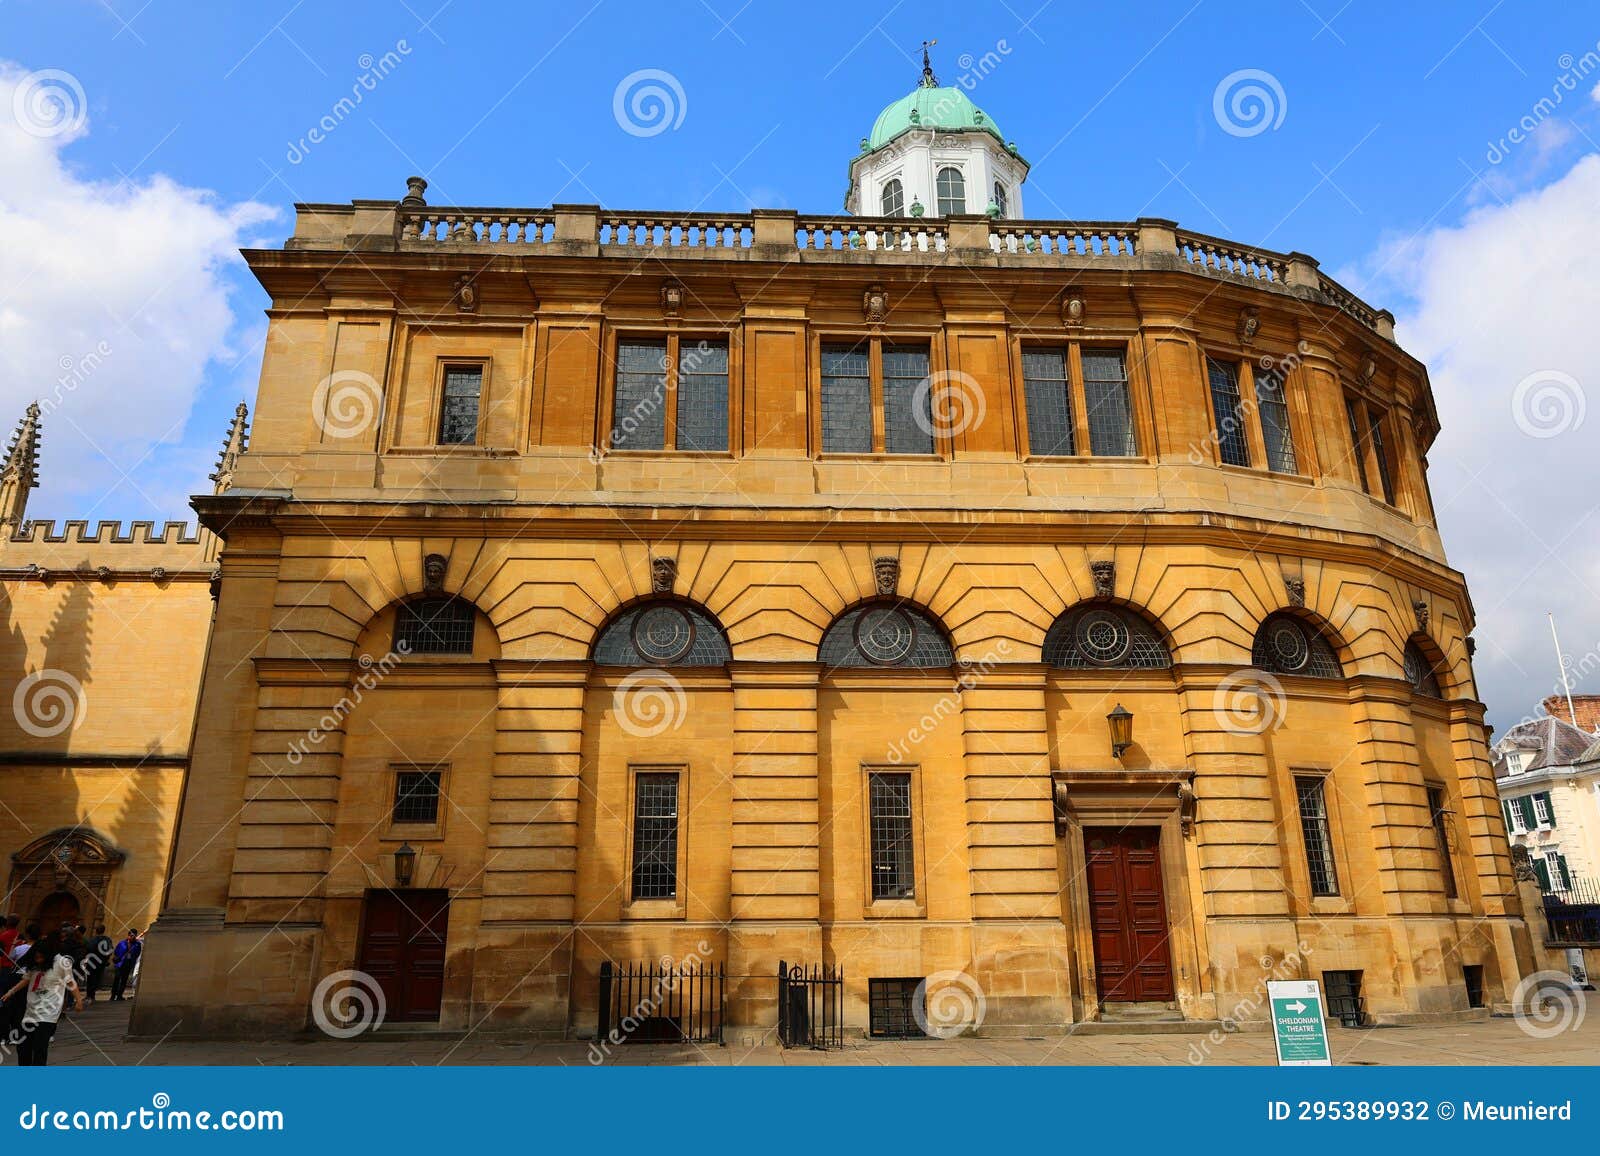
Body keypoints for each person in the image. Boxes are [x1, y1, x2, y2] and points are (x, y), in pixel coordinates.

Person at [3, 931, 83, 1065]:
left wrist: (78, 1000)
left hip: (48, 1012)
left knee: (40, 1047)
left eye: (41, 957)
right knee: (23, 1046)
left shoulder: (62, 962)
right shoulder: (34, 964)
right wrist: (11, 992)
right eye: (36, 957)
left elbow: (71, 983)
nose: (38, 960)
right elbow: (27, 978)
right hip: (31, 1010)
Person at [83, 925, 112, 1004]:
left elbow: (88, 949)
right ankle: (92, 995)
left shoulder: (92, 939)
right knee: (97, 978)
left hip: (92, 962)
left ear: (96, 931)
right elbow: (109, 950)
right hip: (101, 962)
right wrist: (105, 959)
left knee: (90, 979)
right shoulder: (107, 940)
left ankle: (89, 995)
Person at [109, 930, 141, 1001]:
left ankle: (119, 995)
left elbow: (137, 954)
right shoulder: (122, 943)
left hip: (128, 964)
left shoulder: (137, 944)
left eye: (135, 936)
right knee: (116, 980)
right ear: (128, 935)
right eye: (132, 935)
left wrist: (132, 960)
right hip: (120, 964)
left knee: (124, 980)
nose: (133, 937)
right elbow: (116, 952)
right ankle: (113, 995)